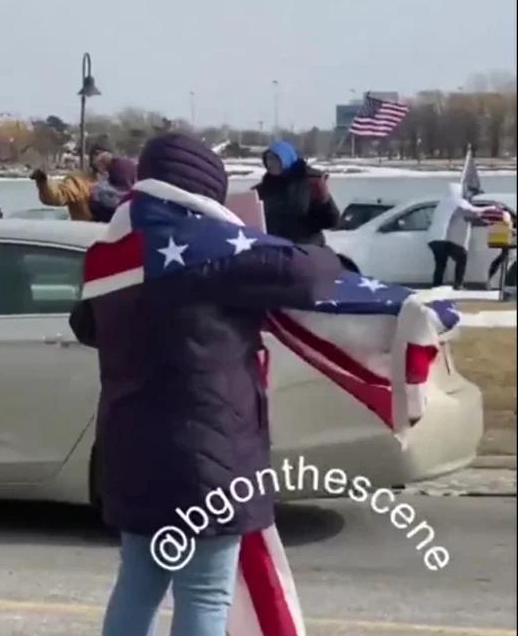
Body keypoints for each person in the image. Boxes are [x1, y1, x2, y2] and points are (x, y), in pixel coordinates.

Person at [69, 133, 341, 636]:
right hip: (208, 460)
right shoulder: (206, 250)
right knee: (204, 592)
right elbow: (313, 274)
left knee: (138, 583)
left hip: (129, 451)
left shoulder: (109, 254)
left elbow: (84, 324)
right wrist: (261, 236)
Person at [254, 140, 340, 246]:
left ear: (287, 157)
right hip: (275, 251)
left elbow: (332, 221)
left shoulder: (311, 183)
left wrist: (325, 201)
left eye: (275, 158)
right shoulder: (261, 190)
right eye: (268, 159)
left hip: (307, 249)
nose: (270, 163)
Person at [426, 182, 489, 290]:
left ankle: (436, 285)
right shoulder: (456, 201)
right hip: (443, 238)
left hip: (433, 239)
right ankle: (458, 284)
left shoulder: (442, 203)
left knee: (440, 263)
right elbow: (473, 210)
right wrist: (489, 209)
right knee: (461, 257)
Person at [30, 147, 106, 221]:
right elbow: (57, 196)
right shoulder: (79, 182)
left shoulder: (116, 182)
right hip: (85, 231)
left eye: (105, 157)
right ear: (91, 159)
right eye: (97, 155)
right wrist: (43, 182)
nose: (100, 160)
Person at [88, 156, 138, 222]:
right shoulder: (125, 162)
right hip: (131, 193)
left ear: (102, 164)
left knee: (96, 190)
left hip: (118, 196)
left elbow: (118, 184)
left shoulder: (115, 168)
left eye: (98, 167)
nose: (99, 170)